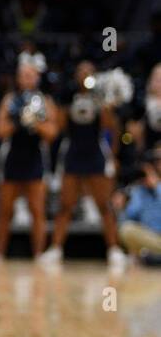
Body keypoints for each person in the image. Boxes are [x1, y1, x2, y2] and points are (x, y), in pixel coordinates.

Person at [48, 60, 124, 268]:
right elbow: (60, 127)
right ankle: (55, 248)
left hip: (95, 154)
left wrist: (113, 155)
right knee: (65, 205)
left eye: (89, 72)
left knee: (104, 205)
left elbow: (111, 127)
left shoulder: (101, 99)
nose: (85, 76)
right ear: (76, 76)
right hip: (73, 154)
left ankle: (114, 249)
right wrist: (64, 106)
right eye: (81, 72)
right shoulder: (69, 98)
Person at [0, 56, 58, 260]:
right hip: (12, 158)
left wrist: (35, 123)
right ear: (18, 78)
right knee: (5, 210)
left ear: (37, 77)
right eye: (24, 75)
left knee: (37, 209)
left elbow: (52, 133)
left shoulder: (46, 101)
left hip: (35, 159)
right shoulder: (9, 100)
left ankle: (39, 254)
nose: (27, 78)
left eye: (31, 75)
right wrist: (17, 120)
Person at [117, 146, 161, 266]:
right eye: (156, 162)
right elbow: (128, 218)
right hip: (151, 237)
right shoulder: (138, 190)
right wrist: (121, 207)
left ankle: (149, 256)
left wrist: (157, 186)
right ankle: (145, 256)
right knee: (127, 229)